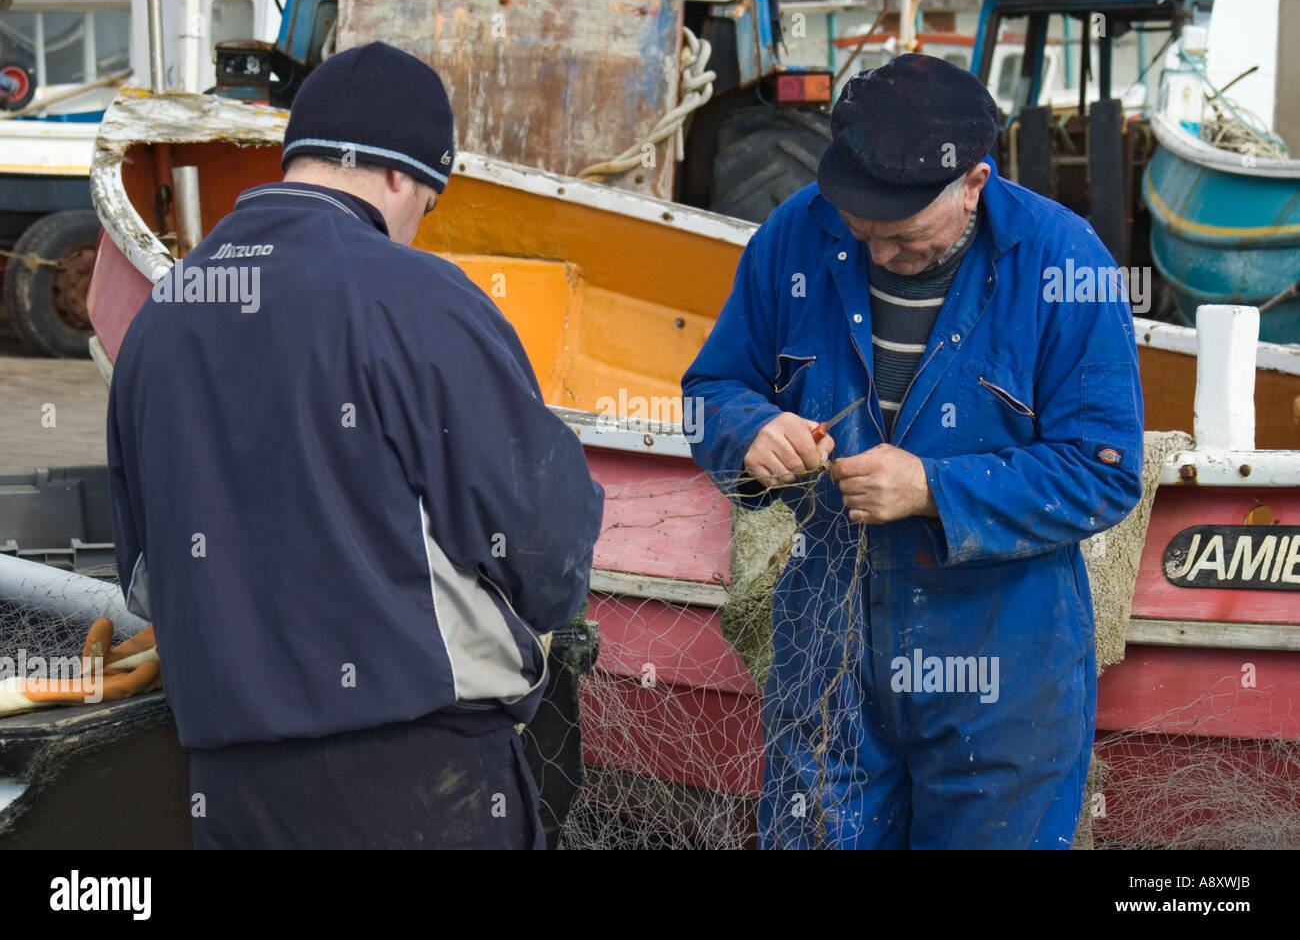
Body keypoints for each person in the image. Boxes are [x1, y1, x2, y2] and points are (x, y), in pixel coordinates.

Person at [106, 42, 604, 849]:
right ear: (402, 176)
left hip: (230, 795)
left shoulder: (164, 315)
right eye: (428, 203)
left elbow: (144, 578)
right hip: (420, 787)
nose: (415, 226)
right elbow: (546, 548)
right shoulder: (419, 298)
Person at [682, 54, 1143, 849]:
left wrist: (933, 488)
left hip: (1004, 675)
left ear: (973, 183)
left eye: (901, 236)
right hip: (828, 660)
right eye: (860, 229)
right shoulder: (794, 232)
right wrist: (750, 431)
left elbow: (1103, 472)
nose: (877, 253)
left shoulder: (1067, 264)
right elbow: (709, 389)